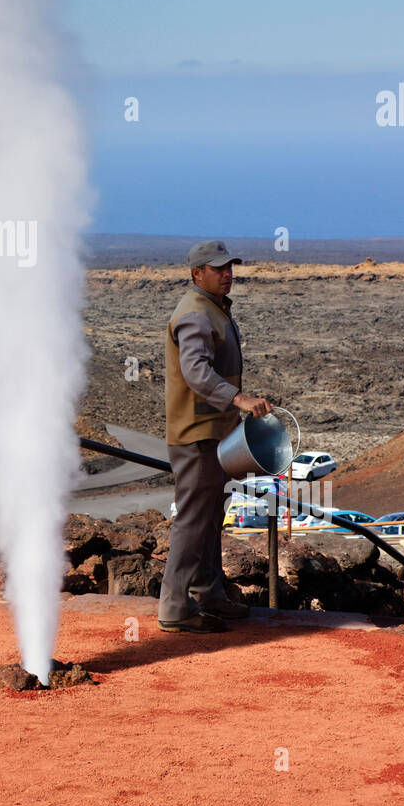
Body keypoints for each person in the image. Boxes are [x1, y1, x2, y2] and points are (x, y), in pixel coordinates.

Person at [159, 240, 271, 633]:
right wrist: (238, 399)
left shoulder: (211, 308)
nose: (228, 273)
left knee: (209, 516)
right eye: (219, 268)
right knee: (192, 519)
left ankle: (209, 592)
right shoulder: (194, 314)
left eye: (230, 267)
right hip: (196, 436)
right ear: (197, 273)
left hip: (214, 435)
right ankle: (174, 607)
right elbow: (196, 371)